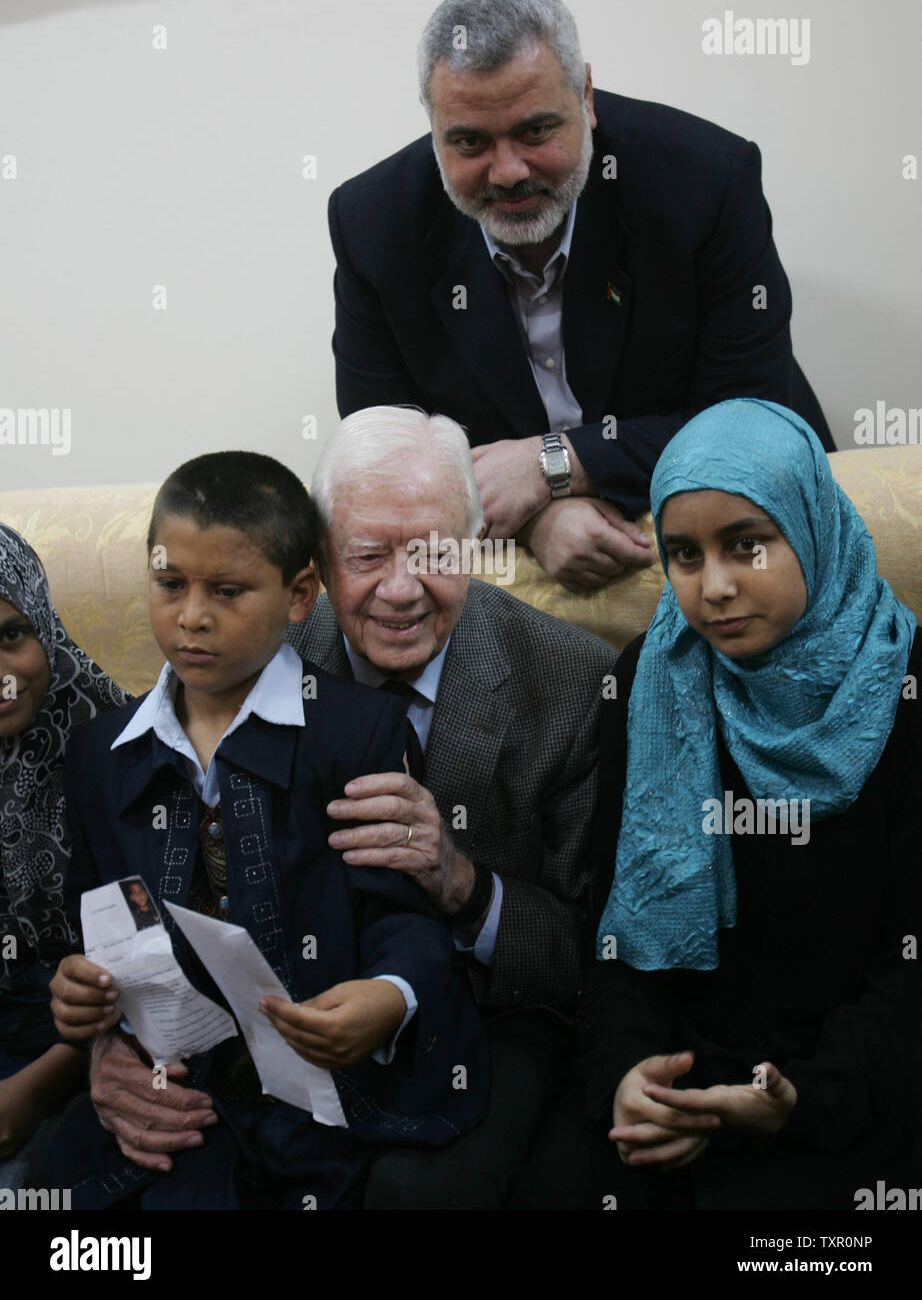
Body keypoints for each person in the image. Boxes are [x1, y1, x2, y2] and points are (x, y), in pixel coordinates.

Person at [45, 451, 488, 1209]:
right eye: (170, 585)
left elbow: (404, 914)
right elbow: (91, 926)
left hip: (323, 1090)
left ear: (299, 595)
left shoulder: (357, 732)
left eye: (227, 591)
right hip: (174, 1088)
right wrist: (84, 1006)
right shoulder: (100, 752)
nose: (191, 616)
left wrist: (388, 994)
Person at [510, 398, 920, 1210]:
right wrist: (628, 1076)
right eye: (684, 555)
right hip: (687, 1067)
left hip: (858, 1077)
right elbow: (618, 930)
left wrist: (797, 1100)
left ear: (812, 528)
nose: (717, 588)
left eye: (746, 546)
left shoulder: (906, 691)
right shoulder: (647, 679)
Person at [330, 0, 835, 589]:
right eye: (469, 142)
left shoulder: (705, 180)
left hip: (735, 517)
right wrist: (537, 520)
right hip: (513, 548)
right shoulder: (373, 224)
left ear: (586, 96)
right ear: (433, 126)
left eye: (537, 132)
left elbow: (751, 420)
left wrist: (554, 468)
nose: (508, 171)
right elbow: (382, 461)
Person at [282, 405, 617, 1209]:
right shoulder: (270, 656)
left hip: (496, 1016)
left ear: (475, 548)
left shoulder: (576, 682)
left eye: (434, 552)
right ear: (322, 564)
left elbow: (592, 950)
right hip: (305, 1002)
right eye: (367, 556)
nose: (401, 590)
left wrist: (466, 885)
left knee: (420, 1194)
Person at [0, 523, 126, 1188]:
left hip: (89, 1045)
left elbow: (151, 975)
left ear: (42, 622)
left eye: (11, 637)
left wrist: (37, 1090)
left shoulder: (122, 752)